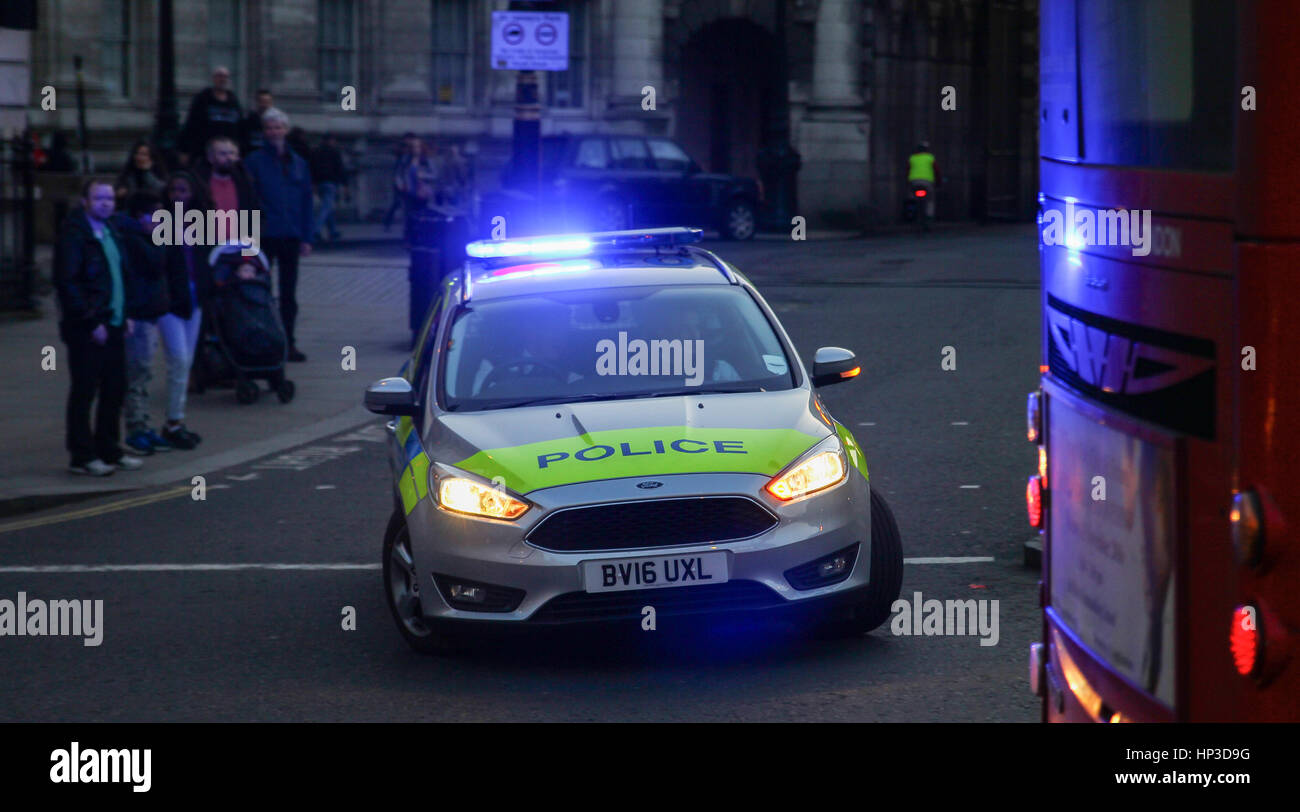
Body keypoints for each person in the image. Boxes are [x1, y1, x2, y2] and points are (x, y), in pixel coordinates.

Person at [53, 179, 144, 476]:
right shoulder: (74, 235)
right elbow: (68, 283)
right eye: (99, 198)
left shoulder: (111, 231)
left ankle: (109, 449)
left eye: (109, 198)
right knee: (85, 391)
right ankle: (81, 455)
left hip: (115, 322)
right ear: (85, 202)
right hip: (88, 327)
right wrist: (90, 321)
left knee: (114, 390)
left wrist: (126, 313)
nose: (106, 203)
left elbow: (119, 277)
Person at [244, 107, 313, 362]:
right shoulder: (253, 161)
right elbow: (248, 199)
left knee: (288, 294)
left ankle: (288, 342)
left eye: (278, 127)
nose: (274, 131)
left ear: (285, 130)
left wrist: (308, 236)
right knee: (260, 290)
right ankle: (263, 340)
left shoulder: (299, 163)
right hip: (264, 233)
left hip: (291, 235)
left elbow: (307, 201)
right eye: (269, 127)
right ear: (264, 131)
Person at [113, 191, 174, 455]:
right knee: (137, 376)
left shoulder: (142, 238)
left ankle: (143, 425)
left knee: (143, 374)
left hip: (147, 315)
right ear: (140, 217)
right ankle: (136, 429)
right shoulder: (136, 241)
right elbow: (155, 265)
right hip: (137, 316)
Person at [155, 172, 212, 450]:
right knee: (177, 358)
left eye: (184, 191)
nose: (178, 196)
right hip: (169, 301)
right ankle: (173, 421)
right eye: (174, 191)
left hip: (194, 297)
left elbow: (212, 256)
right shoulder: (161, 221)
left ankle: (175, 421)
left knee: (185, 361)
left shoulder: (202, 222)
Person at [193, 136, 261, 230]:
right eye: (223, 154)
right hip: (208, 241)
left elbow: (255, 212)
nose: (229, 158)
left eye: (232, 153)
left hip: (239, 242)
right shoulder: (199, 184)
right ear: (210, 157)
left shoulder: (246, 183)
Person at [179, 67, 243, 164]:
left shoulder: (234, 102)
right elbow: (191, 125)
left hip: (228, 154)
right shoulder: (202, 99)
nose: (222, 79)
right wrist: (185, 150)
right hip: (205, 152)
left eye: (225, 77)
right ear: (214, 79)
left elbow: (240, 127)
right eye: (219, 76)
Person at [309, 132, 346, 243]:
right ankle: (316, 230)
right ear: (331, 140)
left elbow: (312, 167)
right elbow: (340, 168)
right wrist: (345, 184)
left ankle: (333, 231)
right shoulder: (334, 152)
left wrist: (313, 183)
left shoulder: (315, 152)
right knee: (326, 207)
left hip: (319, 182)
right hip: (330, 182)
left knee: (328, 207)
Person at [382, 134, 416, 232]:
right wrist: (400, 183)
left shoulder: (408, 153)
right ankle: (388, 222)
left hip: (404, 182)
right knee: (399, 203)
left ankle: (388, 223)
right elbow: (400, 170)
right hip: (401, 183)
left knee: (400, 204)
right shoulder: (404, 153)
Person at [907, 140, 940, 223]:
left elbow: (907, 170)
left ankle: (911, 213)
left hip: (914, 182)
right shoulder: (930, 157)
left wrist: (907, 181)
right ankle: (929, 216)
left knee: (911, 198)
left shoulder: (912, 158)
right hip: (927, 182)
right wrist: (938, 181)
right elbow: (937, 170)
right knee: (930, 200)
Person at [239, 88, 274, 157]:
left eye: (267, 102)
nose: (264, 105)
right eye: (262, 101)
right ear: (256, 102)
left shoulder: (276, 122)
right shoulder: (247, 121)